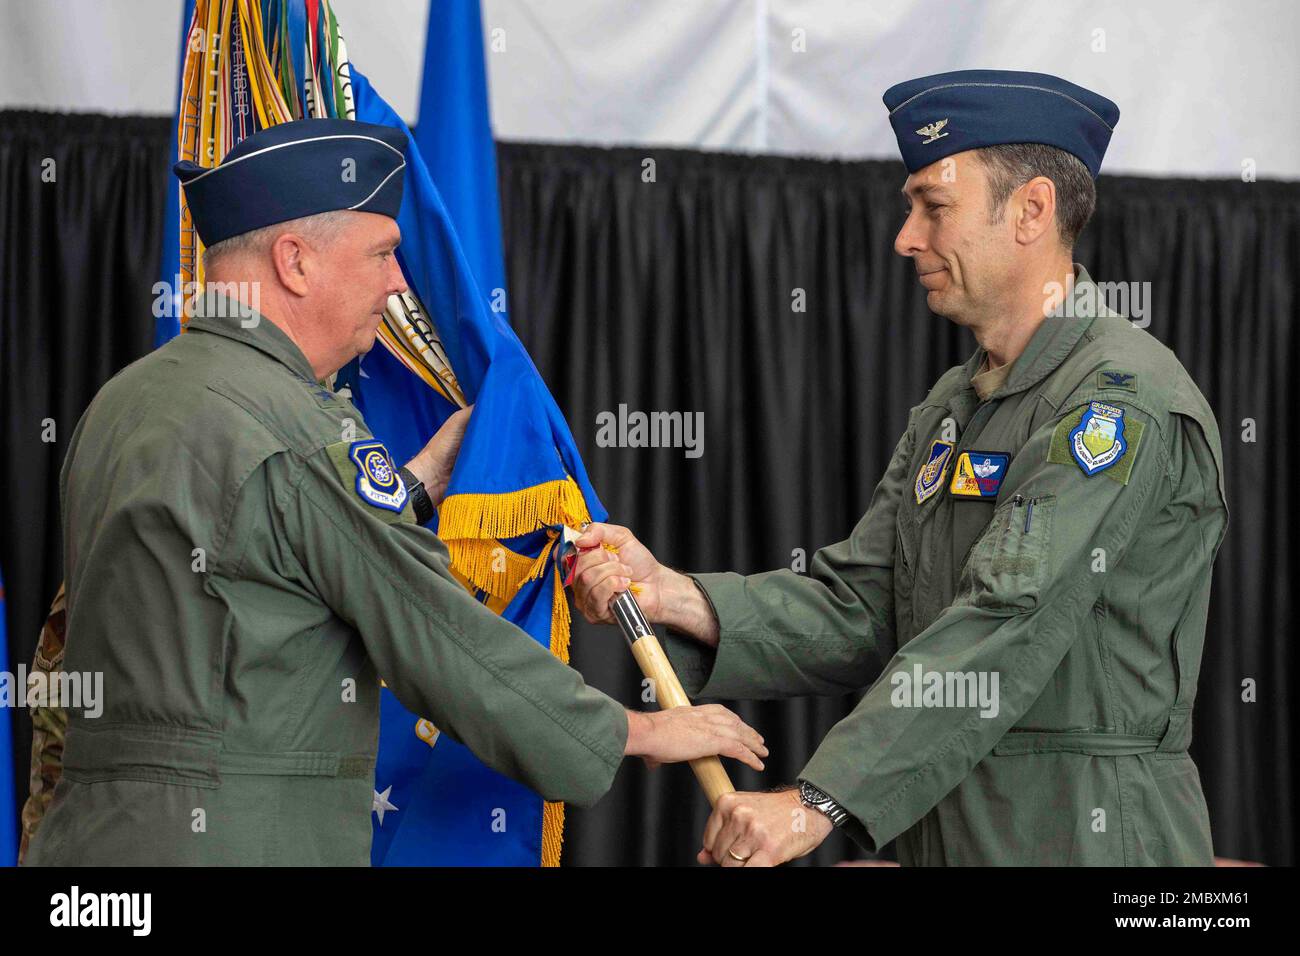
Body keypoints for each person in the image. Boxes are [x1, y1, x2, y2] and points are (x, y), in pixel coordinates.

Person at [26, 118, 765, 866]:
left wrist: (409, 484)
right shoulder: (304, 431)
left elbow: (246, 568)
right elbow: (437, 636)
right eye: (382, 252)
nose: (398, 281)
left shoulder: (119, 404)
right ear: (295, 262)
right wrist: (634, 732)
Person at [572, 70, 1228, 867]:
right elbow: (864, 608)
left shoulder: (1119, 402)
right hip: (944, 828)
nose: (905, 237)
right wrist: (674, 596)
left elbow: (1004, 621)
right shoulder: (956, 403)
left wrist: (817, 803)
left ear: (1032, 212)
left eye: (934, 206)